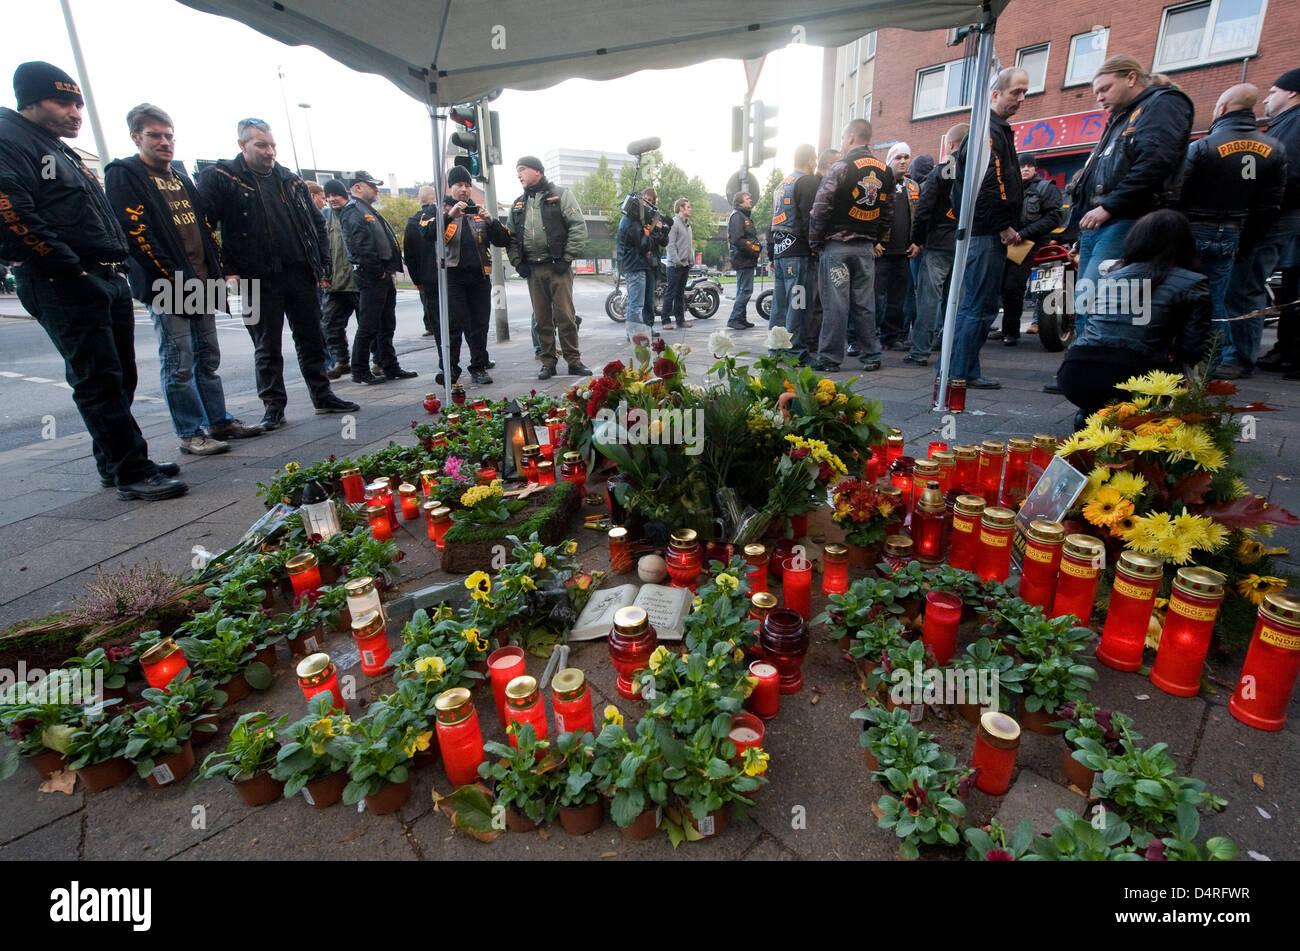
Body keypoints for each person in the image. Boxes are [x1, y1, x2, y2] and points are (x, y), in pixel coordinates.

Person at [0, 62, 186, 500]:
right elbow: (13, 216)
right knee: (98, 379)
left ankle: (116, 459)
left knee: (119, 376)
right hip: (64, 279)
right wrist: (73, 270)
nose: (75, 112)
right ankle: (130, 470)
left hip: (100, 274)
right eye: (62, 101)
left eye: (78, 103)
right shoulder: (10, 140)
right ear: (30, 101)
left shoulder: (56, 147)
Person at [104, 103, 263, 458]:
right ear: (136, 137)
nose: (164, 142)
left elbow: (204, 228)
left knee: (207, 358)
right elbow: (136, 234)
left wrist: (216, 272)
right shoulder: (124, 174)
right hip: (169, 285)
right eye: (155, 136)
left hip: (201, 281)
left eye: (169, 136)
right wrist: (173, 278)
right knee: (179, 362)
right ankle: (190, 433)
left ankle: (219, 421)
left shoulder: (178, 176)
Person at [198, 118, 358, 429]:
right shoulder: (222, 177)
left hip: (298, 272)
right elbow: (204, 226)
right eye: (261, 145)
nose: (270, 151)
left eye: (272, 145)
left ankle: (322, 395)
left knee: (312, 339)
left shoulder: (290, 180)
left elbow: (317, 225)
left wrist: (321, 265)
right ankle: (273, 406)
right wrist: (226, 271)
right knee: (266, 345)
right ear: (242, 145)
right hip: (254, 278)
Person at [1068, 56, 1194, 341]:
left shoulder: (1161, 104)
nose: (1099, 97)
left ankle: (1092, 359)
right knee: (1085, 298)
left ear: (1131, 78)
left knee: (1097, 298)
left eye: (1105, 88)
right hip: (1102, 220)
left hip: (1124, 219)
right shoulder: (1125, 115)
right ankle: (1084, 358)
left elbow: (1154, 162)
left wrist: (1109, 207)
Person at [1057, 209, 1210, 428]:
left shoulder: (1111, 275)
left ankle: (1090, 423)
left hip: (1076, 371)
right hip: (1137, 376)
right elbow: (1193, 348)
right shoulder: (1193, 282)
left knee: (1100, 405)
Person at [1179, 83, 1286, 379]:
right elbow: (1269, 206)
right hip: (1231, 232)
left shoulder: (1202, 146)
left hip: (1194, 229)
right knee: (1217, 300)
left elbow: (1179, 192)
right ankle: (1211, 365)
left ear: (1222, 108)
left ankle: (1181, 360)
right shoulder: (1275, 149)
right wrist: (1247, 243)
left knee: (1182, 293)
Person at [946, 68, 1030, 390]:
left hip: (985, 231)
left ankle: (962, 369)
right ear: (995, 95)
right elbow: (988, 186)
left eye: (1024, 92)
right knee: (978, 306)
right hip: (986, 233)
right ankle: (959, 372)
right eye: (1015, 92)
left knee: (976, 305)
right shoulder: (988, 132)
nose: (1021, 99)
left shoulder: (994, 130)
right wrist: (1004, 226)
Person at [1223, 70, 1300, 379]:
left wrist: (1253, 203)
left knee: (1244, 284)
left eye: (1272, 91)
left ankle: (1238, 357)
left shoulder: (1293, 125)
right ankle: (1284, 350)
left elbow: (1286, 175)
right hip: (1276, 215)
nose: (1266, 99)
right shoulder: (1286, 125)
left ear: (1292, 93)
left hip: (1273, 217)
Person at [807, 118, 894, 373]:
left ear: (853, 137)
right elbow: (888, 211)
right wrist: (875, 237)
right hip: (865, 246)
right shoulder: (885, 171)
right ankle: (871, 354)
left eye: (844, 138)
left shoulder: (840, 167)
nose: (843, 143)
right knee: (865, 302)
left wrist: (815, 241)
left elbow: (821, 208)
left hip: (837, 246)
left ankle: (830, 358)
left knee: (836, 303)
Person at [506, 155, 591, 379]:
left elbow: (577, 227)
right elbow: (511, 237)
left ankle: (574, 361)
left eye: (522, 169)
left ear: (537, 171)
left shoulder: (561, 195)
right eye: (518, 170)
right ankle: (548, 362)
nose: (518, 175)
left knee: (566, 316)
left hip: (557, 268)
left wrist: (567, 257)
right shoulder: (518, 204)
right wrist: (517, 261)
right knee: (541, 320)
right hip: (533, 270)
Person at [427, 165, 510, 386]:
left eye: (467, 185)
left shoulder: (478, 211)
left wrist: (491, 221)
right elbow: (426, 234)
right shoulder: (438, 209)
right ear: (451, 187)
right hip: (452, 276)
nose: (464, 189)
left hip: (479, 276)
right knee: (454, 325)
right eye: (459, 185)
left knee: (479, 325)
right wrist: (449, 215)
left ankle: (479, 366)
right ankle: (450, 369)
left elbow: (503, 240)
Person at [338, 171, 418, 386]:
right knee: (369, 325)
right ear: (357, 187)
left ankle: (389, 366)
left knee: (386, 324)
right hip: (372, 275)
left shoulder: (367, 210)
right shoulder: (354, 211)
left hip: (382, 274)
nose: (376, 190)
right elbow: (359, 245)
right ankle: (360, 369)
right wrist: (377, 270)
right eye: (371, 186)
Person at [908, 124, 967, 367]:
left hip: (939, 242)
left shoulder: (941, 172)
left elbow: (922, 210)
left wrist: (918, 240)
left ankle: (920, 351)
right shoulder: (976, 171)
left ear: (950, 144)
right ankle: (954, 349)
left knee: (929, 298)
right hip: (964, 243)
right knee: (958, 299)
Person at [997, 154, 1064, 346]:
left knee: (1014, 287)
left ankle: (1011, 332)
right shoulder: (1009, 189)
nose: (1025, 169)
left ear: (1035, 168)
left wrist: (1023, 233)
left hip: (1034, 244)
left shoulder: (1045, 188)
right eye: (1022, 166)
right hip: (1010, 243)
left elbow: (1054, 217)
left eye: (1029, 166)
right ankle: (1007, 330)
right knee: (1004, 288)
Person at [769, 144, 820, 363]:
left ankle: (776, 349)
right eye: (815, 160)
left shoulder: (782, 184)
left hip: (781, 251)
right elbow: (810, 217)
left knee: (780, 304)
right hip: (798, 252)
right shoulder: (806, 181)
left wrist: (771, 253)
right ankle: (796, 351)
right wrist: (816, 244)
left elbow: (773, 221)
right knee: (798, 302)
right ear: (810, 160)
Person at [875, 142, 919, 351]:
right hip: (881, 251)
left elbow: (918, 217)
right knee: (873, 298)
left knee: (897, 299)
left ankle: (890, 337)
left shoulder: (913, 186)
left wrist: (918, 242)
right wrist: (873, 240)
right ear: (890, 160)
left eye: (906, 157)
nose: (902, 161)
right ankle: (864, 337)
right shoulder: (879, 183)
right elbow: (870, 214)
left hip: (903, 252)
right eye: (898, 157)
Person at [320, 178, 362, 377]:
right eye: (328, 196)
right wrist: (322, 274)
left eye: (335, 194)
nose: (332, 199)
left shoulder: (355, 212)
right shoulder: (324, 217)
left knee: (368, 325)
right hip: (334, 283)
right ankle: (342, 360)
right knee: (330, 323)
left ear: (345, 193)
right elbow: (319, 247)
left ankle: (377, 361)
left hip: (357, 281)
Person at [404, 184, 441, 341]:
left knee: (434, 313)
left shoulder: (413, 222)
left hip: (426, 277)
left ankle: (443, 353)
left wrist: (416, 280)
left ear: (420, 200)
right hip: (445, 274)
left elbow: (410, 255)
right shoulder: (441, 216)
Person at [726, 191, 761, 329]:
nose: (750, 201)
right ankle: (735, 318)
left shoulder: (742, 216)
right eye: (747, 199)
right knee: (745, 290)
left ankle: (741, 318)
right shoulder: (737, 217)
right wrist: (753, 250)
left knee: (743, 290)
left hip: (745, 259)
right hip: (743, 259)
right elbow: (737, 239)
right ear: (740, 202)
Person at [664, 197, 694, 330]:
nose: (690, 209)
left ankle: (680, 320)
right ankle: (665, 320)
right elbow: (670, 245)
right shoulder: (674, 223)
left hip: (685, 264)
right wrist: (677, 261)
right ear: (681, 208)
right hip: (675, 265)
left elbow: (689, 245)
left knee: (680, 294)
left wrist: (691, 260)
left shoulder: (687, 224)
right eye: (688, 206)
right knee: (670, 293)